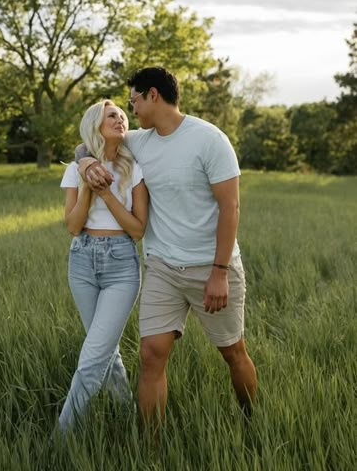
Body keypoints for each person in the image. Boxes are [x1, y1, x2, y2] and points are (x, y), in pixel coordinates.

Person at [78, 67, 257, 426]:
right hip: (162, 268)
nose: (132, 111)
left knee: (232, 352)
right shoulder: (139, 141)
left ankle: (253, 419)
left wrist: (220, 272)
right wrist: (84, 160)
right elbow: (93, 139)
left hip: (211, 267)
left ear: (153, 95)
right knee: (151, 355)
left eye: (135, 101)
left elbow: (230, 207)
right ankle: (151, 451)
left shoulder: (210, 139)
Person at [57, 99, 148, 433]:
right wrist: (87, 186)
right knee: (106, 348)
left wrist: (107, 193)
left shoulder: (134, 169)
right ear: (95, 123)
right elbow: (72, 225)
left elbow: (138, 230)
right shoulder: (75, 168)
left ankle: (60, 440)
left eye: (124, 115)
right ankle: (127, 414)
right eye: (113, 115)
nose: (121, 119)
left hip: (121, 265)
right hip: (81, 259)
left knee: (93, 357)